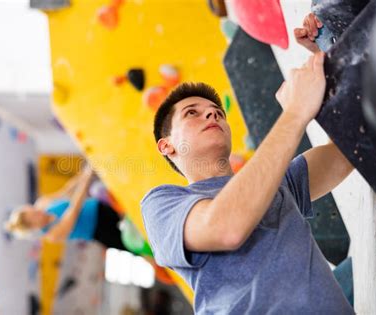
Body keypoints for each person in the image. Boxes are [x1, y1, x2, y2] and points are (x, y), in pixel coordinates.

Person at [140, 18, 355, 314]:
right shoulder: (163, 205)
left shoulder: (278, 184)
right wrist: (295, 112)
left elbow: (345, 151)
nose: (212, 116)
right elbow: (226, 228)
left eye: (217, 113)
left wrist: (325, 69)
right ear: (167, 145)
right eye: (193, 113)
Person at [5, 166, 127, 250]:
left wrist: (85, 172)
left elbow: (66, 191)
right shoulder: (52, 235)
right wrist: (85, 180)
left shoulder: (42, 203)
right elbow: (73, 211)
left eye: (34, 210)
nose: (38, 211)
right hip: (101, 231)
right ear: (34, 227)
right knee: (134, 247)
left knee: (128, 211)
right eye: (35, 216)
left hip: (99, 207)